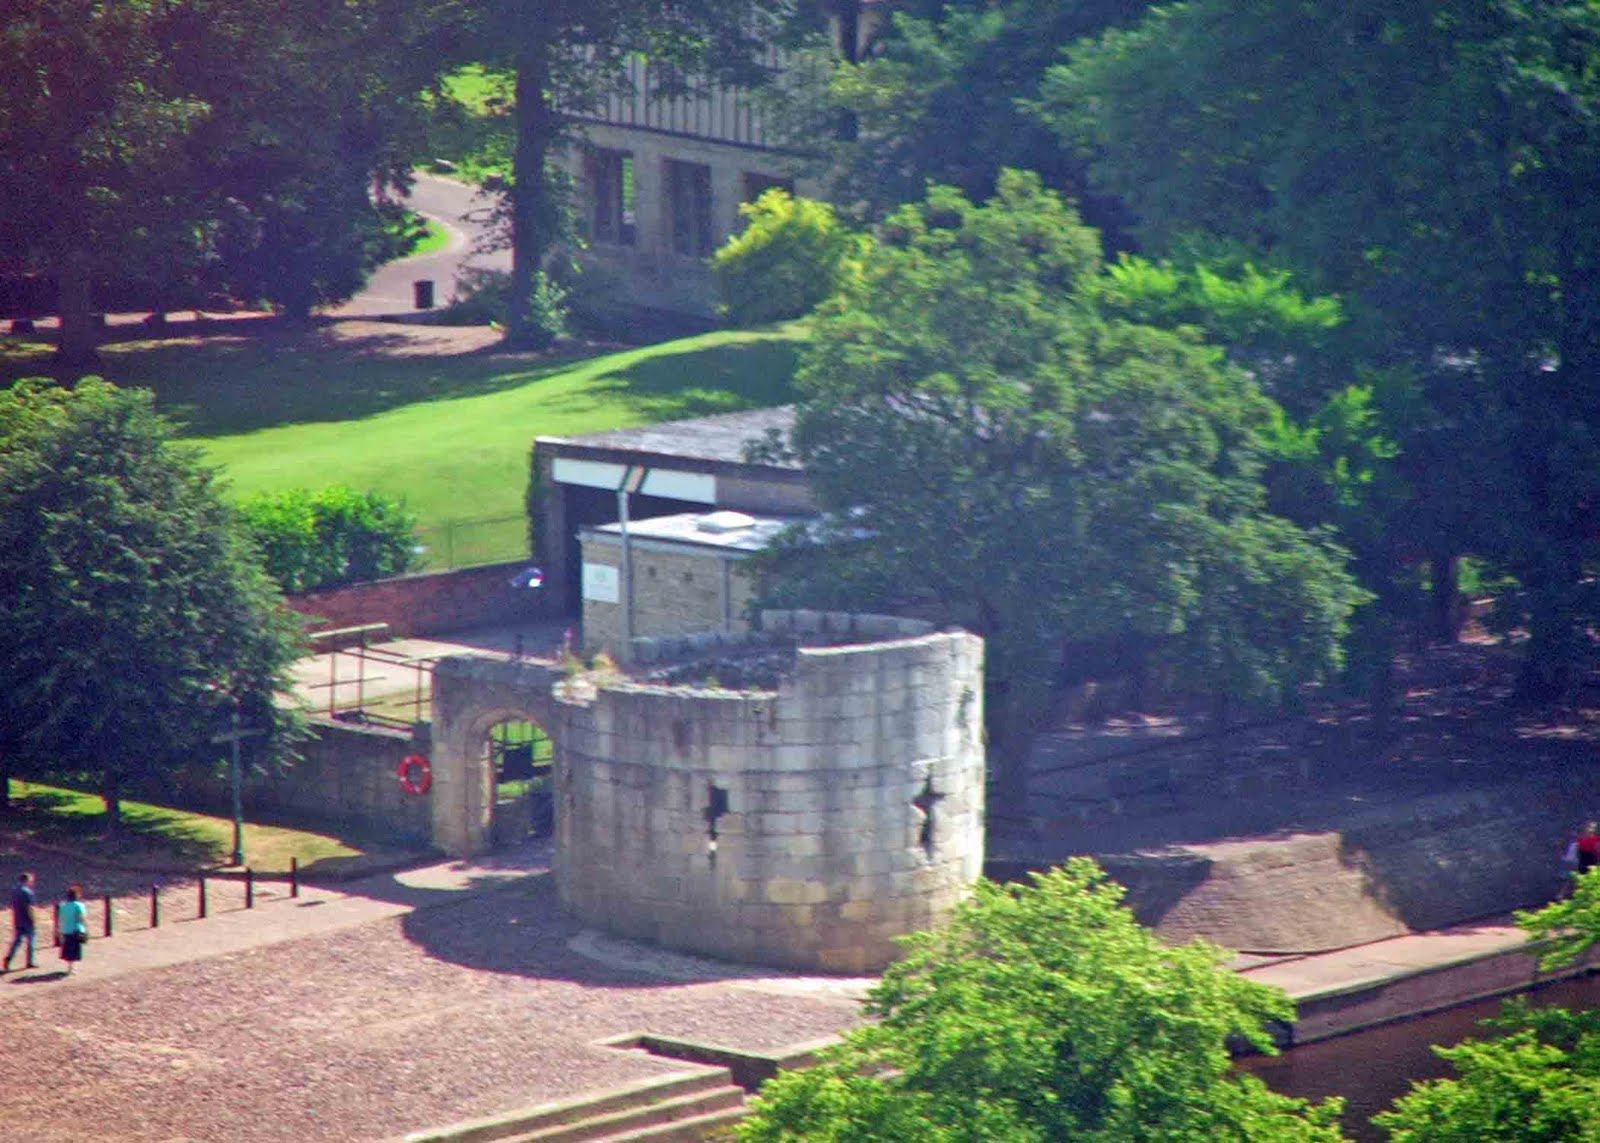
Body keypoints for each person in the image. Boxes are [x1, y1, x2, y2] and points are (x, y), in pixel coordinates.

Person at [3, 872, 37, 972]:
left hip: (18, 919)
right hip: (27, 920)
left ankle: (8, 959)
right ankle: (29, 961)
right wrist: (33, 919)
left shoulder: (15, 891)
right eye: (31, 880)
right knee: (31, 941)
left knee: (17, 941)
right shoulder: (28, 892)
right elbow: (30, 908)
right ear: (27, 880)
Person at [57, 884, 87, 975]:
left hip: (66, 930)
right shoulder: (79, 905)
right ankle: (71, 969)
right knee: (74, 950)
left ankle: (69, 968)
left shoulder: (63, 906)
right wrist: (85, 928)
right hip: (76, 930)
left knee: (68, 949)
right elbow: (82, 918)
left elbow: (61, 918)